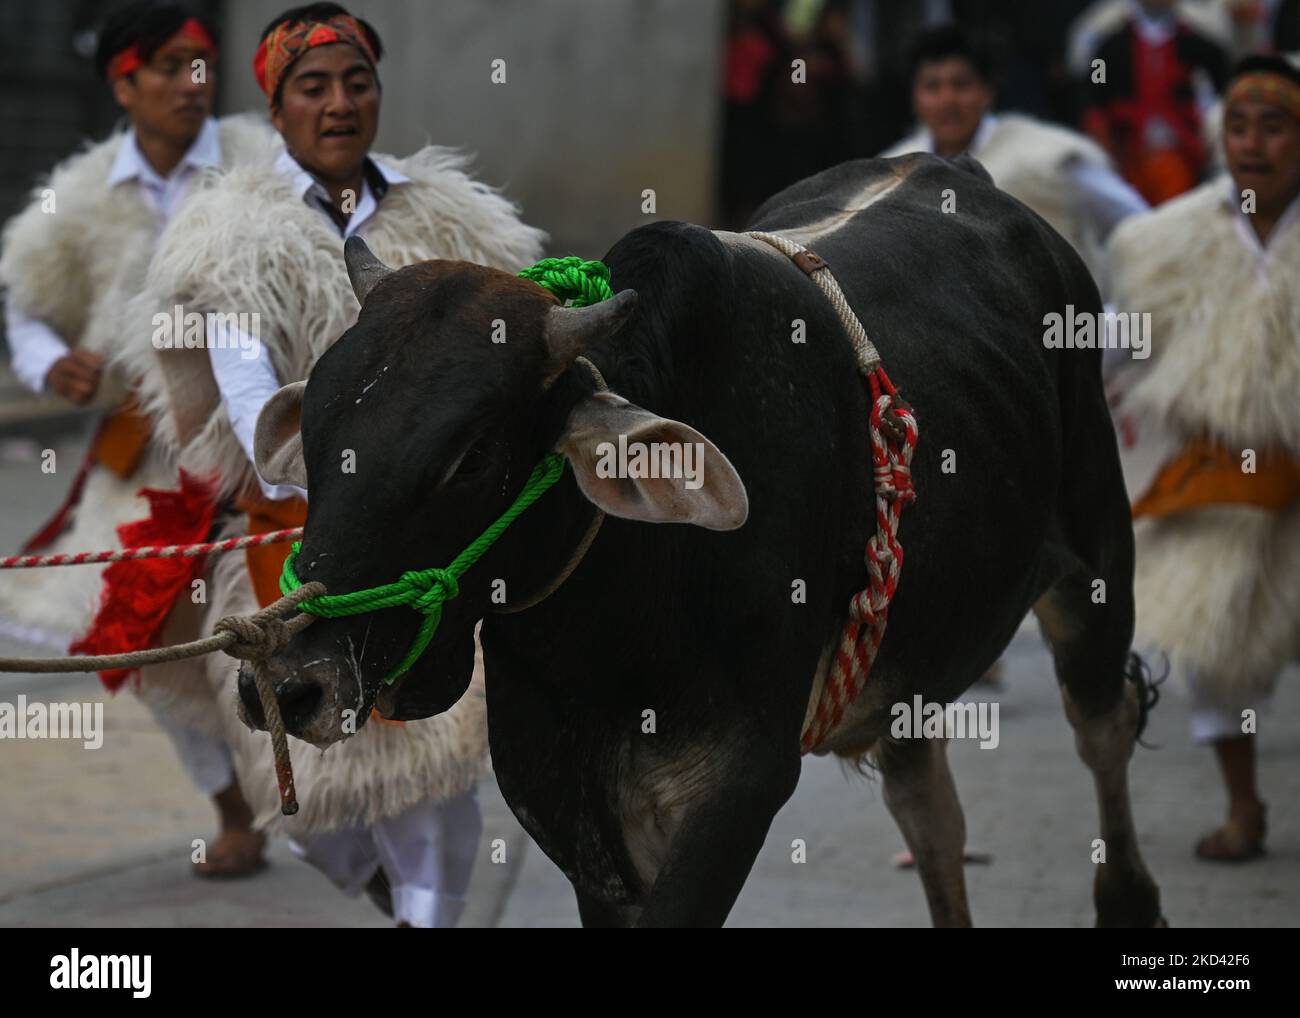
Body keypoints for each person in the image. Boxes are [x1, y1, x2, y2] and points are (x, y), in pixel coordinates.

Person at [100, 2, 546, 926]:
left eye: (356, 83)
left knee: (431, 783)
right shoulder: (233, 238)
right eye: (313, 86)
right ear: (276, 107)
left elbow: (512, 355)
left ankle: (431, 915)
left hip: (424, 547)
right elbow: (256, 407)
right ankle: (401, 901)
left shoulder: (456, 220)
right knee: (309, 809)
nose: (338, 104)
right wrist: (339, 475)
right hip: (286, 549)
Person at [0, 0, 277, 878]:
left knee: (282, 619)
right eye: (166, 67)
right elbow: (24, 303)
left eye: (200, 65)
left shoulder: (256, 160)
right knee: (144, 639)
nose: (191, 84)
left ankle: (332, 804)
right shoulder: (81, 195)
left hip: (261, 434)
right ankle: (237, 811)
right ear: (122, 83)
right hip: (144, 454)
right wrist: (52, 365)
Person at [1108, 55, 1300, 861]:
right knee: (1213, 653)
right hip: (1219, 476)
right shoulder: (1165, 241)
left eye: (1275, 124)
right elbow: (1117, 353)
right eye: (1239, 125)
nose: (1253, 143)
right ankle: (1244, 806)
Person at [883, 24, 1148, 289]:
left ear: (987, 92)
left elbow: (1137, 225)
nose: (947, 100)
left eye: (961, 85)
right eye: (932, 87)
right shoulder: (890, 176)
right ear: (915, 97)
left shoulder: (1049, 158)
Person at [1081, 0, 1230, 204]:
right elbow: (1096, 102)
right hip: (1126, 159)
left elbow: (1221, 103)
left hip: (1188, 158)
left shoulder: (1204, 49)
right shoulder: (1108, 49)